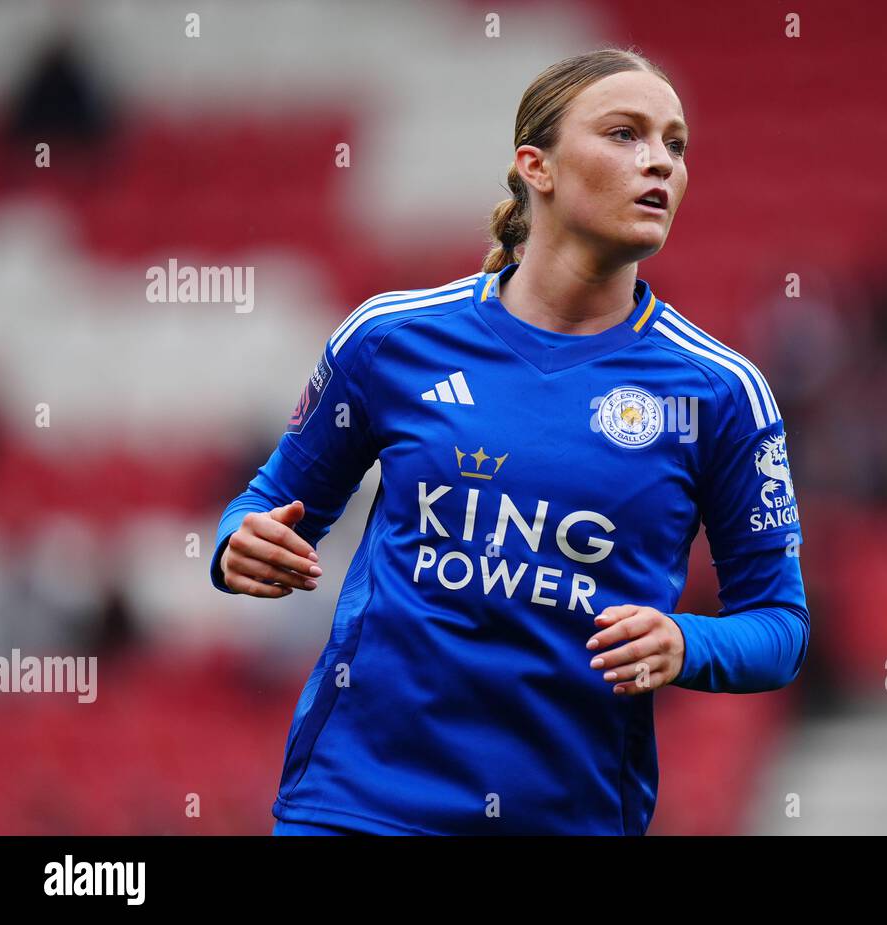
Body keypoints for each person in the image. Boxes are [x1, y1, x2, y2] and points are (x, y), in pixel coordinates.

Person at [210, 46, 809, 836]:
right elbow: (266, 506)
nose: (658, 162)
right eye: (626, 134)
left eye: (675, 144)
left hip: (566, 814)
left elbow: (779, 625)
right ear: (537, 166)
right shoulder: (391, 340)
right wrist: (236, 546)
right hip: (359, 802)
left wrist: (685, 642)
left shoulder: (721, 392)